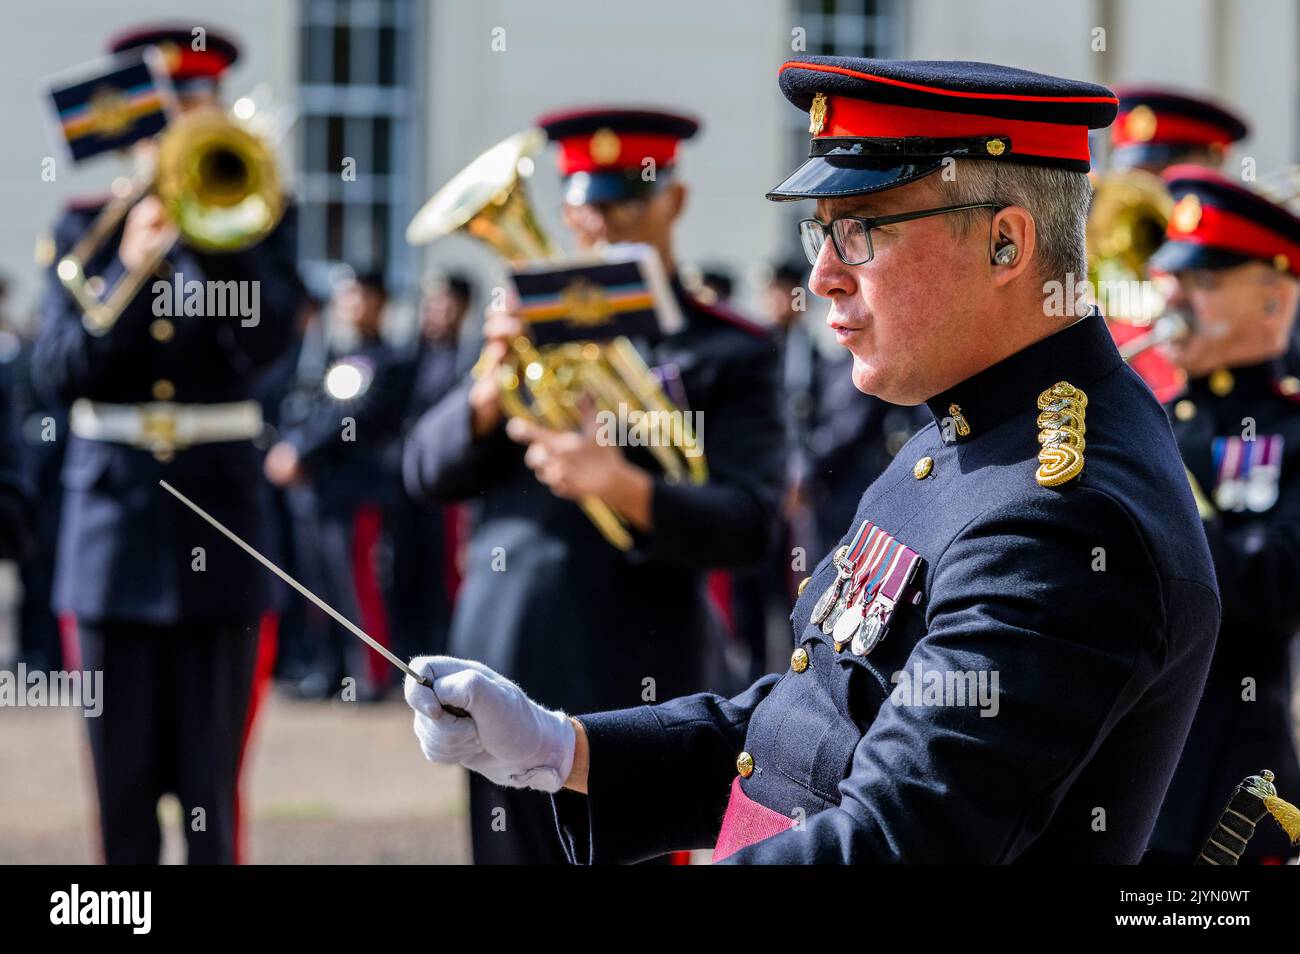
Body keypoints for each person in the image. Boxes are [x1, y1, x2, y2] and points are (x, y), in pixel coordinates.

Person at [404, 57, 1221, 864]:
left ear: (1006, 244)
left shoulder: (1060, 510)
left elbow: (896, 840)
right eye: (819, 232)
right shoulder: (972, 426)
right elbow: (812, 724)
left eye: (860, 231)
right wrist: (562, 749)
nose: (822, 276)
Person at [403, 107, 785, 863]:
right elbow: (423, 472)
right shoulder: (524, 326)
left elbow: (749, 527)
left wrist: (618, 485)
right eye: (589, 207)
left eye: (628, 205)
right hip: (506, 647)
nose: (604, 227)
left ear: (674, 202)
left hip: (639, 673)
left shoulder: (725, 348)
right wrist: (487, 388)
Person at [33, 26, 303, 864]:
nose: (181, 122)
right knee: (119, 802)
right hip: (110, 532)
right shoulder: (85, 226)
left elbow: (266, 352)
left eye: (197, 103)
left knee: (210, 802)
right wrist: (131, 266)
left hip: (219, 525)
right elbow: (54, 375)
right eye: (167, 106)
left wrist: (208, 244)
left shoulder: (259, 218)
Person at [1142, 167, 1300, 863]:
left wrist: (1157, 515)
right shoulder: (1145, 419)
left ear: (1274, 299)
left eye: (1203, 280)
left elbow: (1274, 586)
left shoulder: (1290, 431)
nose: (1172, 295)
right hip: (1131, 774)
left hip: (1231, 785)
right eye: (1172, 277)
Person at [264, 270, 409, 701]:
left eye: (359, 296)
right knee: (318, 588)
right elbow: (307, 407)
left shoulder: (388, 359)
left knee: (357, 586)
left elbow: (354, 417)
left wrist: (301, 453)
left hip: (357, 490)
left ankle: (370, 673)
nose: (349, 305)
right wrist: (291, 445)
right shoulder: (332, 355)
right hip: (318, 491)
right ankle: (329, 670)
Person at [385, 272, 475, 663]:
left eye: (445, 304)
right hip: (408, 482)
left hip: (448, 484)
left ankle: (446, 649)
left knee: (444, 572)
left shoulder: (469, 357)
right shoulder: (411, 354)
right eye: (432, 303)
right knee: (404, 567)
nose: (436, 312)